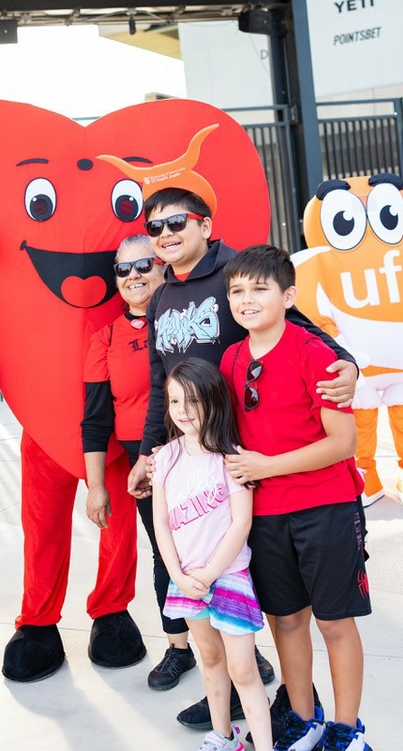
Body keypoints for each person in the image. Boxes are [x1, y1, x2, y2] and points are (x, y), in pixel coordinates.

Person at [128, 186, 359, 733]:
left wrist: (348, 365)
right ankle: (238, 691)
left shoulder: (239, 271)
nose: (166, 235)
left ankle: (276, 699)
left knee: (244, 575)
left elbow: (300, 327)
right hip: (190, 461)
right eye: (154, 227)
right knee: (199, 567)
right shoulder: (161, 296)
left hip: (247, 464)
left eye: (176, 223)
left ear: (205, 224)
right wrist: (147, 453)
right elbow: (160, 383)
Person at [221, 245, 372, 751]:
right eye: (237, 291)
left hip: (325, 507)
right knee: (285, 618)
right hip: (265, 516)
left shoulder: (316, 354)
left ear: (288, 297)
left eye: (259, 289)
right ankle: (305, 719)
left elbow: (342, 443)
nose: (246, 300)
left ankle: (346, 731)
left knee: (333, 620)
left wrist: (267, 467)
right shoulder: (232, 359)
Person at [81, 235, 199, 689]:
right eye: (122, 269)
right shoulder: (105, 339)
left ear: (162, 267)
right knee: (166, 556)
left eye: (143, 265)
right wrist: (96, 486)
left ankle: (238, 643)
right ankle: (179, 648)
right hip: (147, 466)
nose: (133, 276)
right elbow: (94, 421)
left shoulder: (189, 320)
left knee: (222, 552)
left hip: (202, 453)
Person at [151, 357, 270, 751]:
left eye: (193, 401)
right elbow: (162, 524)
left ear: (214, 401)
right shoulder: (165, 459)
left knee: (243, 669)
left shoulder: (231, 457)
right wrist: (180, 576)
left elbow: (241, 524)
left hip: (228, 577)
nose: (183, 412)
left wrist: (209, 574)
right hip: (185, 579)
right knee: (210, 658)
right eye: (174, 402)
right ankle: (224, 735)